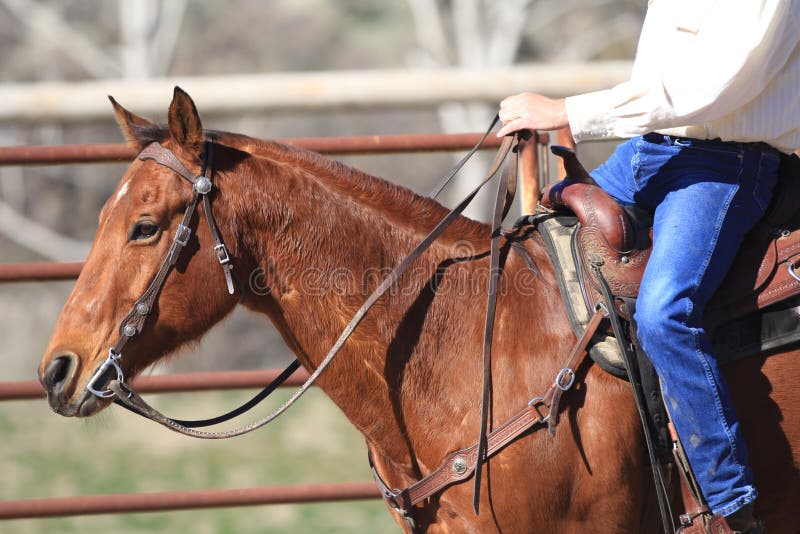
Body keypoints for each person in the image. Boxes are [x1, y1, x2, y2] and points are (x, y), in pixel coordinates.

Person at [497, 1, 800, 532]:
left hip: (726, 162)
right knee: (533, 246)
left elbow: (714, 86)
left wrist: (567, 111)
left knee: (664, 314)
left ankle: (728, 505)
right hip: (652, 152)